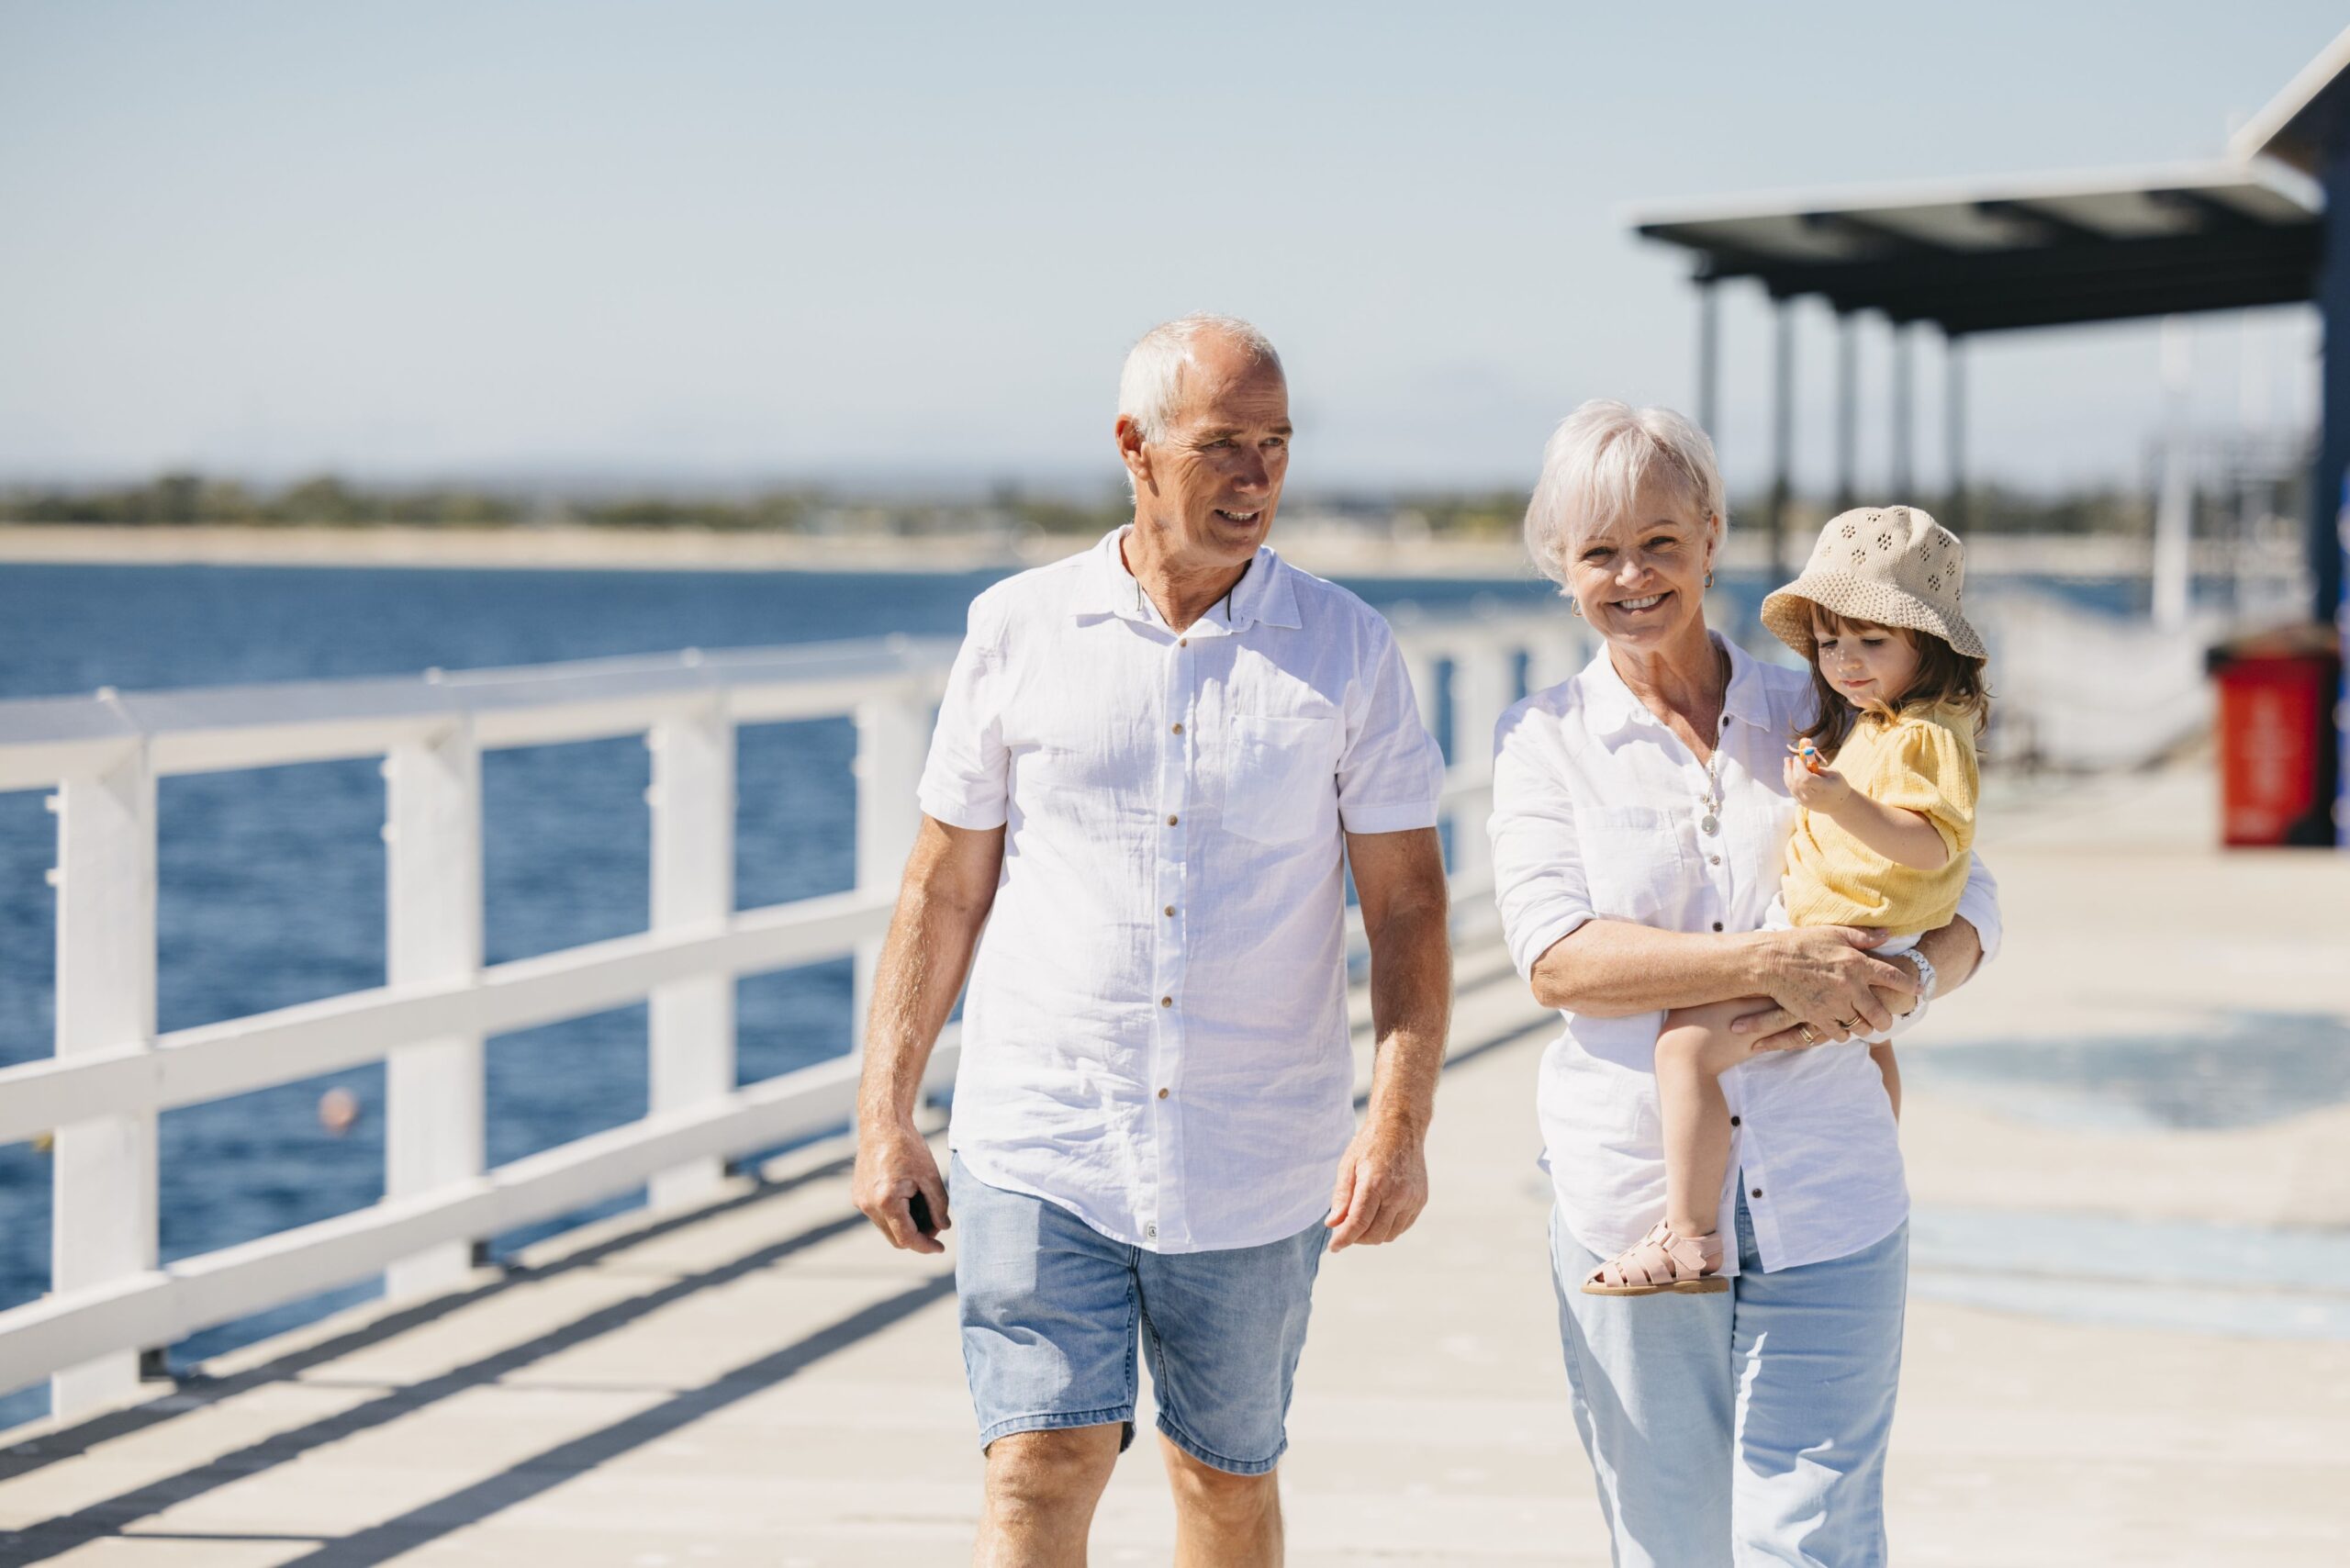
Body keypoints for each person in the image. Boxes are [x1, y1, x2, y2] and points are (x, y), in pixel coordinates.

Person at [852, 313, 1453, 1568]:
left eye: (1276, 447)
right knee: (1037, 1466)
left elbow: (1407, 908)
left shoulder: (1347, 649)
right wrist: (885, 1114)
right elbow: (941, 888)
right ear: (1135, 446)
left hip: (1255, 1153)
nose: (1256, 478)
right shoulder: (1016, 630)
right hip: (1044, 1136)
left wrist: (1396, 1126)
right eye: (1223, 444)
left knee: (1222, 1483)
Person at [1486, 402, 2001, 1565]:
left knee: (1812, 1538)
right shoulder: (1542, 739)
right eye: (1598, 549)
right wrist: (1771, 964)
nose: (1632, 574)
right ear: (1560, 568)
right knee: (1669, 1541)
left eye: (1660, 541)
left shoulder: (1817, 704)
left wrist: (1906, 982)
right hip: (1632, 1201)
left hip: (1831, 1181)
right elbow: (1556, 955)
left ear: (1711, 539)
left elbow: (1972, 894)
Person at [1582, 504, 1990, 1295]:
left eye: (1872, 641)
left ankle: (1687, 1237)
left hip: (1846, 931)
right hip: (1840, 929)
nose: (1846, 662)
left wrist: (1841, 804)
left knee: (1685, 1048)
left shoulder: (1925, 735)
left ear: (1929, 645)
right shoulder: (1874, 724)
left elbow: (1938, 845)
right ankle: (1872, 1159)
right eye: (1831, 643)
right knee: (1868, 1047)